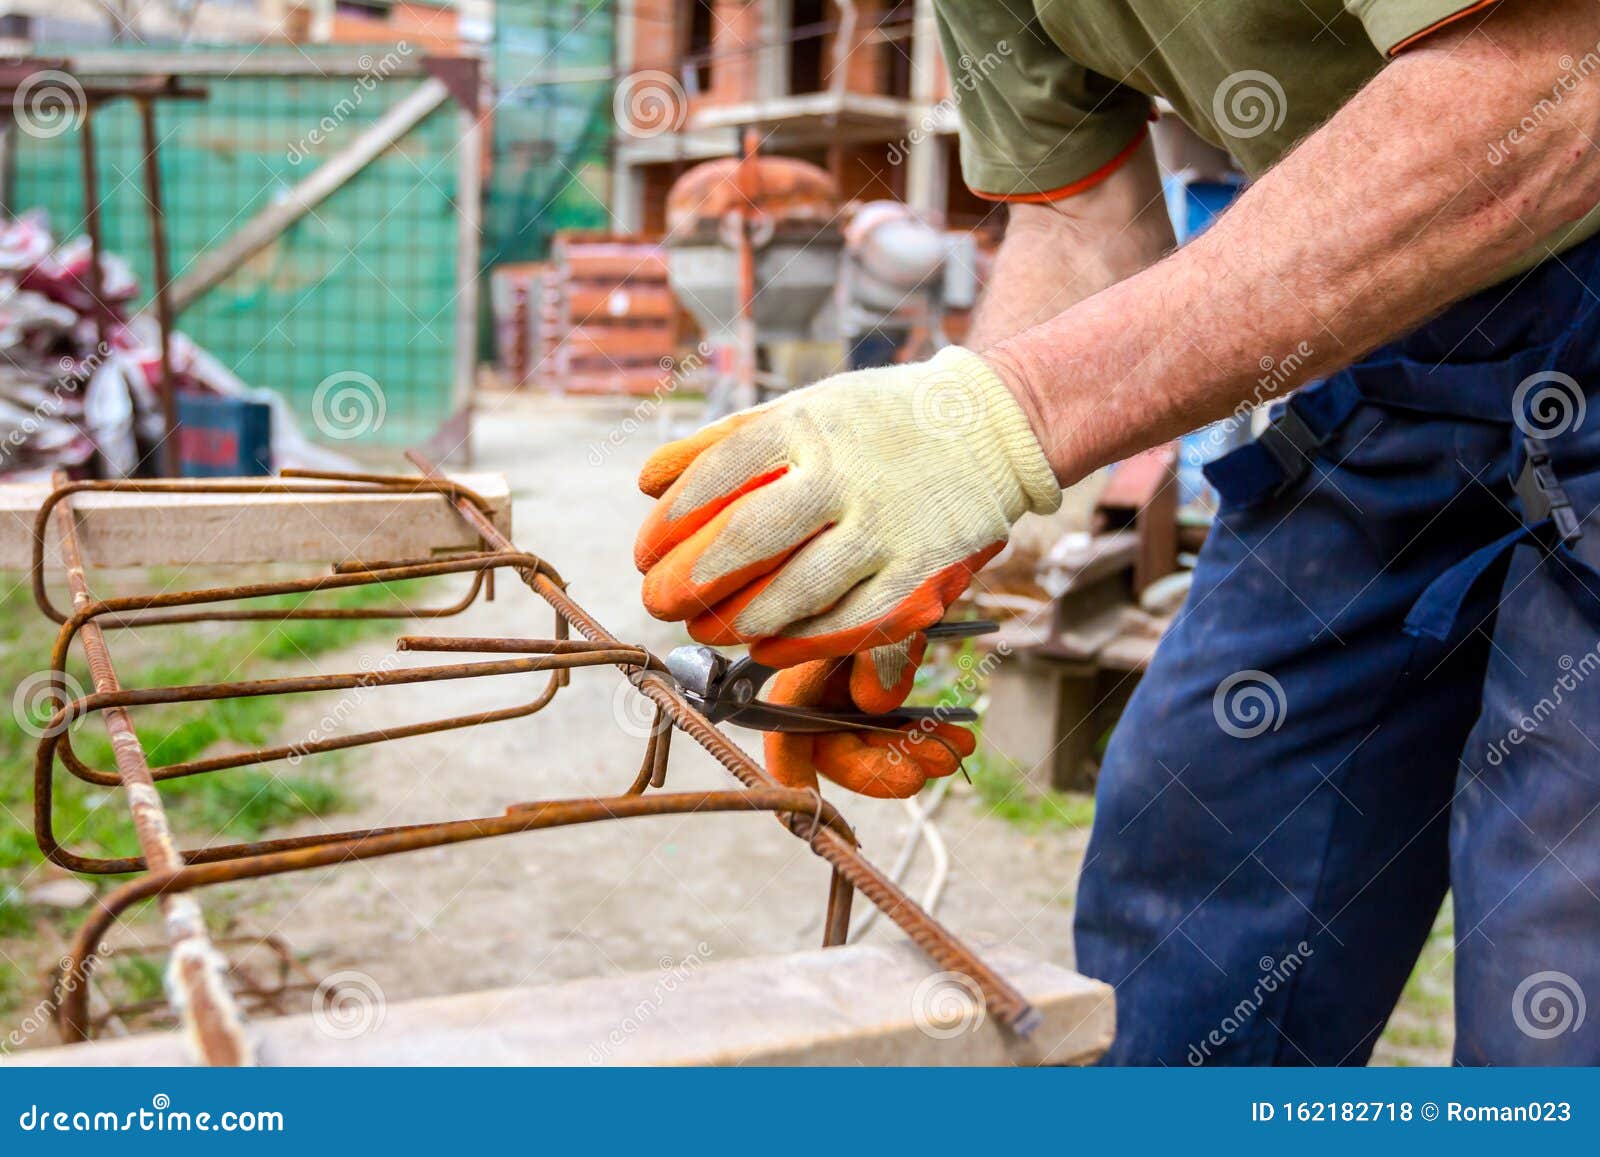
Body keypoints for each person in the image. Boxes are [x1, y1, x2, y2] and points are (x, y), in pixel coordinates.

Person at [634, 1, 1600, 1065]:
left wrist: (1014, 420)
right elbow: (1078, 224)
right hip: (1396, 332)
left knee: (1559, 954)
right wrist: (937, 523)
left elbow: (1559, 86)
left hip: (1541, 203)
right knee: (1203, 824)